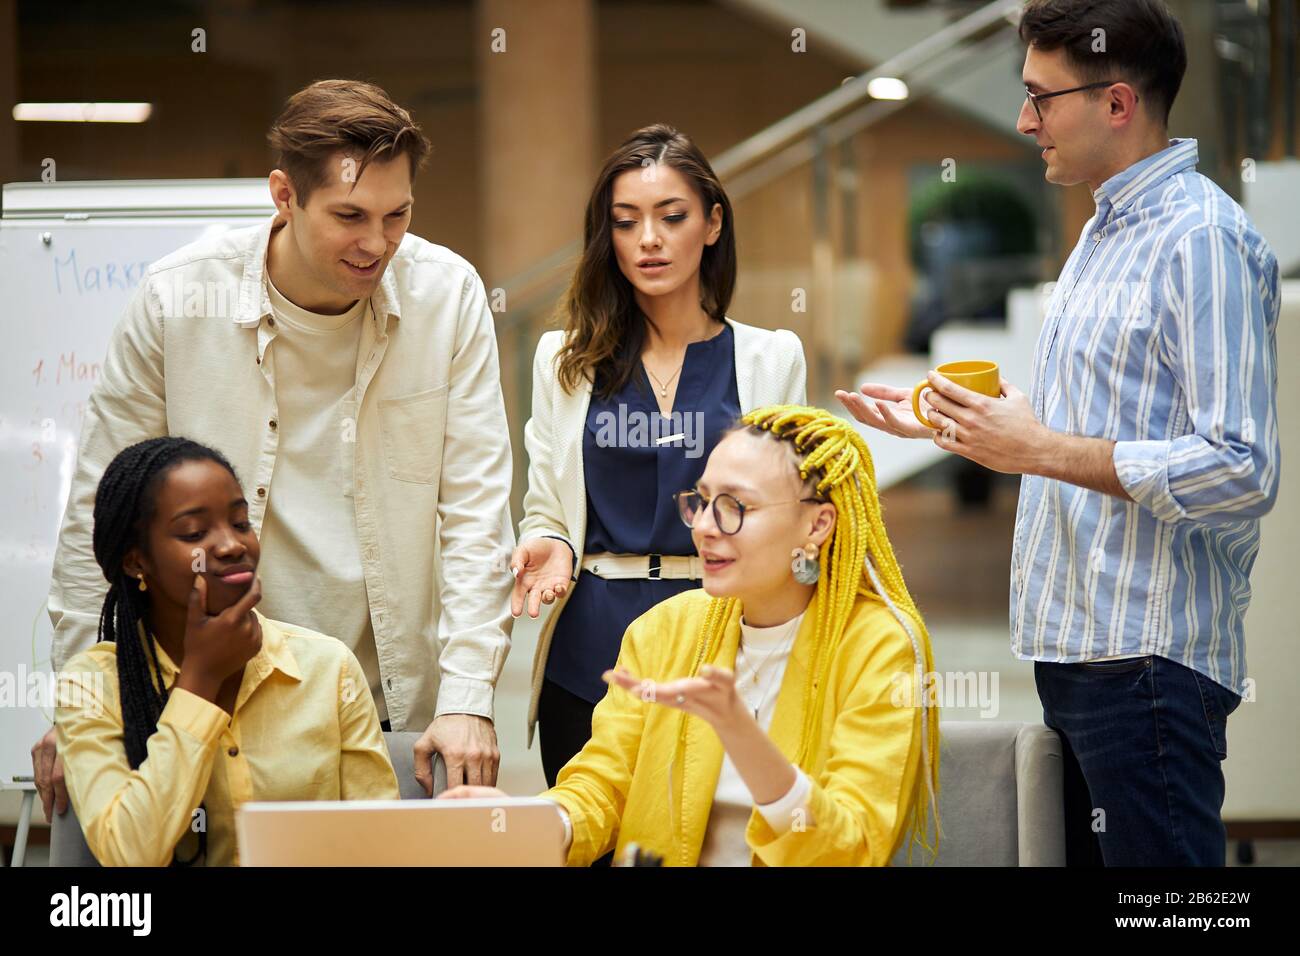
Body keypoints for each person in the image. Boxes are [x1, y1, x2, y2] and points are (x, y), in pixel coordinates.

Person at [837, 0, 1280, 866]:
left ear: (1116, 103)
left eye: (1041, 97)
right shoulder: (1100, 234)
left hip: (1149, 663)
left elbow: (1241, 468)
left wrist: (1037, 448)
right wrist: (960, 421)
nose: (1022, 119)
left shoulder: (1203, 239)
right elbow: (1093, 422)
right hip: (1078, 648)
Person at [34, 78, 515, 825]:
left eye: (398, 215)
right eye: (349, 216)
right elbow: (101, 513)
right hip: (208, 691)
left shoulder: (446, 297)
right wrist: (82, 704)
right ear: (284, 194)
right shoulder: (176, 302)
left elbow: (477, 513)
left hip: (388, 703)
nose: (377, 244)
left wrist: (468, 699)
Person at [447, 406, 939, 867]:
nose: (704, 527)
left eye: (734, 506)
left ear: (818, 523)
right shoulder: (665, 629)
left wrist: (740, 734)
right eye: (701, 502)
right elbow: (603, 787)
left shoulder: (879, 646)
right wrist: (530, 823)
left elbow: (850, 846)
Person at [509, 124, 807, 790]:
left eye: (671, 217)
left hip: (724, 644)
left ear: (712, 223)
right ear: (606, 237)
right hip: (588, 649)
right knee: (590, 840)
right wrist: (550, 542)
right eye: (626, 221)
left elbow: (787, 514)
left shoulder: (769, 358)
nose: (649, 238)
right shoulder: (563, 362)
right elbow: (546, 506)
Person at [56, 437, 399, 866]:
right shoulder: (90, 686)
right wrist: (199, 683)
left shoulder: (328, 669)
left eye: (240, 523)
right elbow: (130, 854)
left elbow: (380, 848)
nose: (232, 545)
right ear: (135, 561)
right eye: (194, 533)